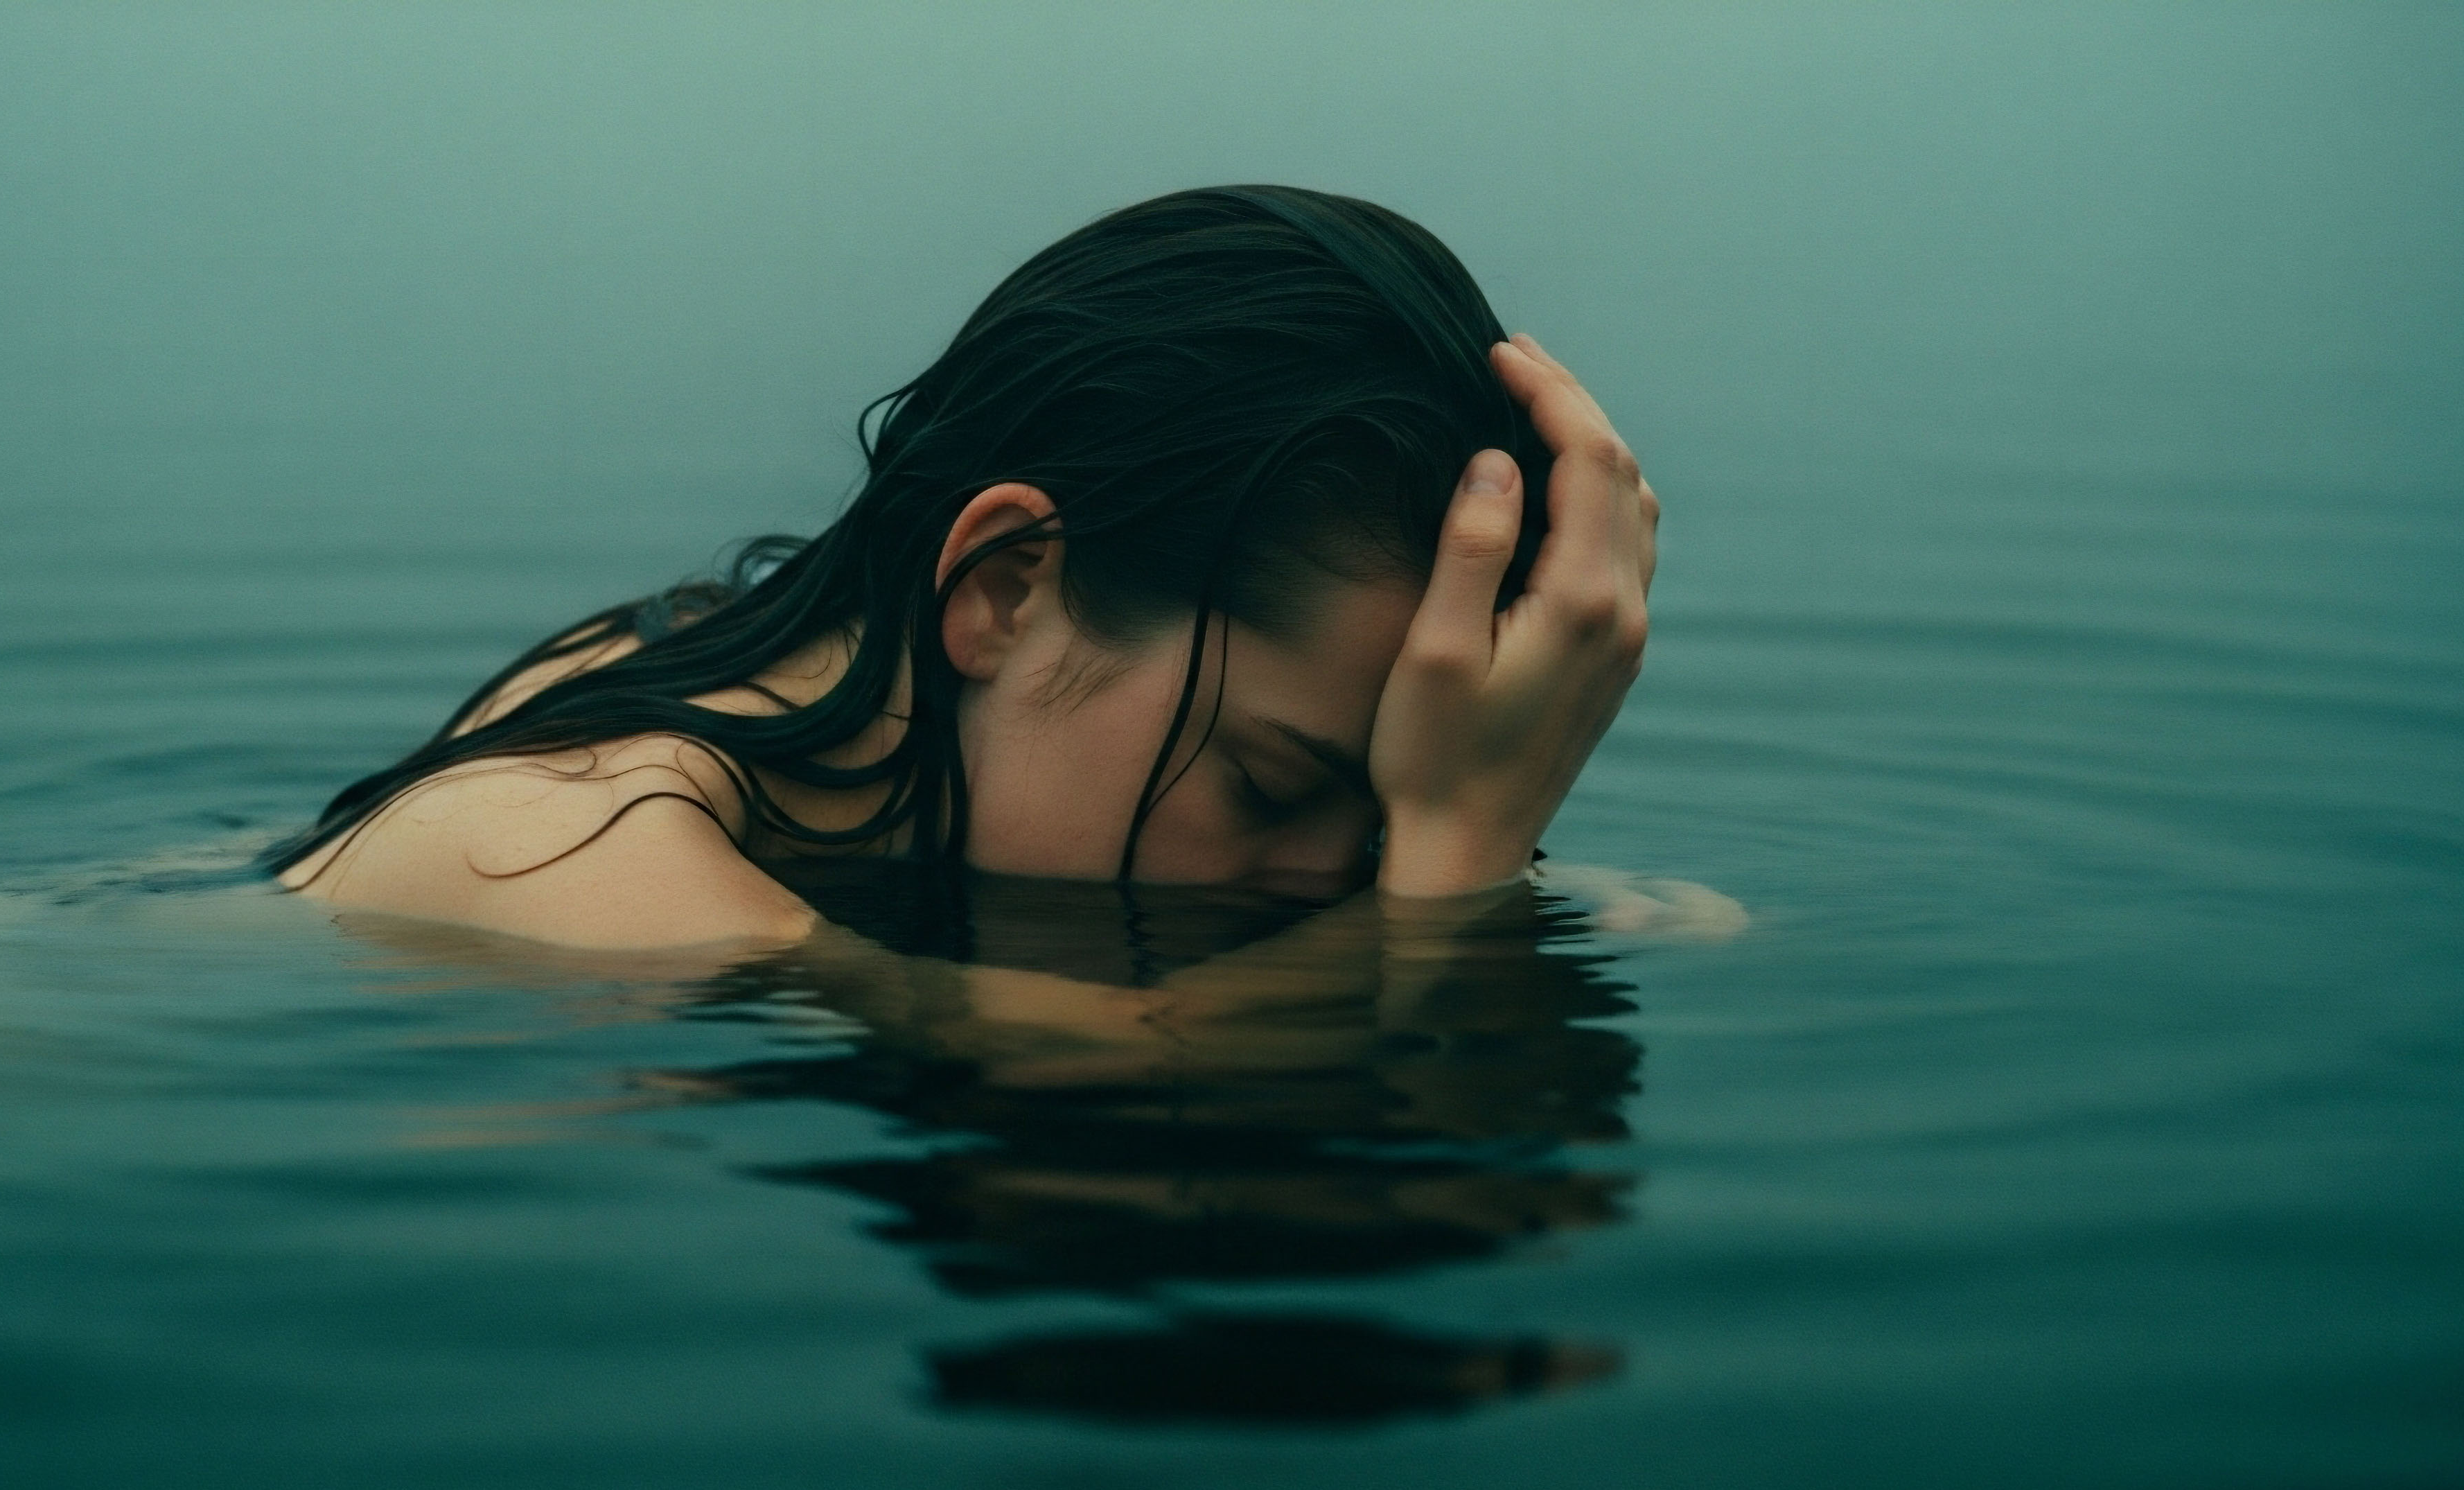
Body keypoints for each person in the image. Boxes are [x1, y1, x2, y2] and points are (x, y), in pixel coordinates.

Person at [270, 186, 1687, 956]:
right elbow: (1112, 1076)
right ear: (1007, 588)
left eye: (1383, 814)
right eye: (1269, 783)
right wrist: (1460, 878)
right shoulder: (579, 858)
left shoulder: (751, 681)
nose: (1320, 881)